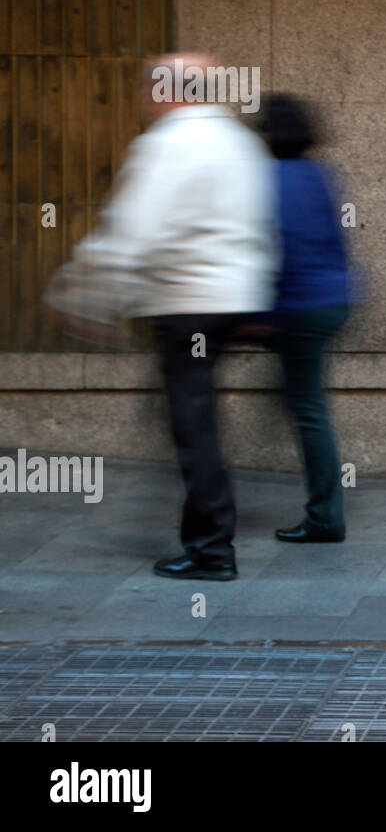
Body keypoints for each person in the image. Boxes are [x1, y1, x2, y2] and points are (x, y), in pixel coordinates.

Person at [44, 53, 277, 581]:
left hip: (186, 302)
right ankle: (206, 537)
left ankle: (213, 550)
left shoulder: (168, 144)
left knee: (193, 426)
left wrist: (85, 295)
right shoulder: (240, 143)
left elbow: (133, 231)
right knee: (193, 418)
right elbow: (261, 225)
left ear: (169, 93)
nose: (145, 99)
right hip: (230, 300)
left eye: (151, 89)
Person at [256, 94, 357, 544]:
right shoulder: (321, 173)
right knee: (304, 398)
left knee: (311, 409)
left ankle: (325, 517)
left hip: (302, 305)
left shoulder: (270, 179)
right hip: (334, 299)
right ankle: (286, 399)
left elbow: (280, 252)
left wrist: (263, 314)